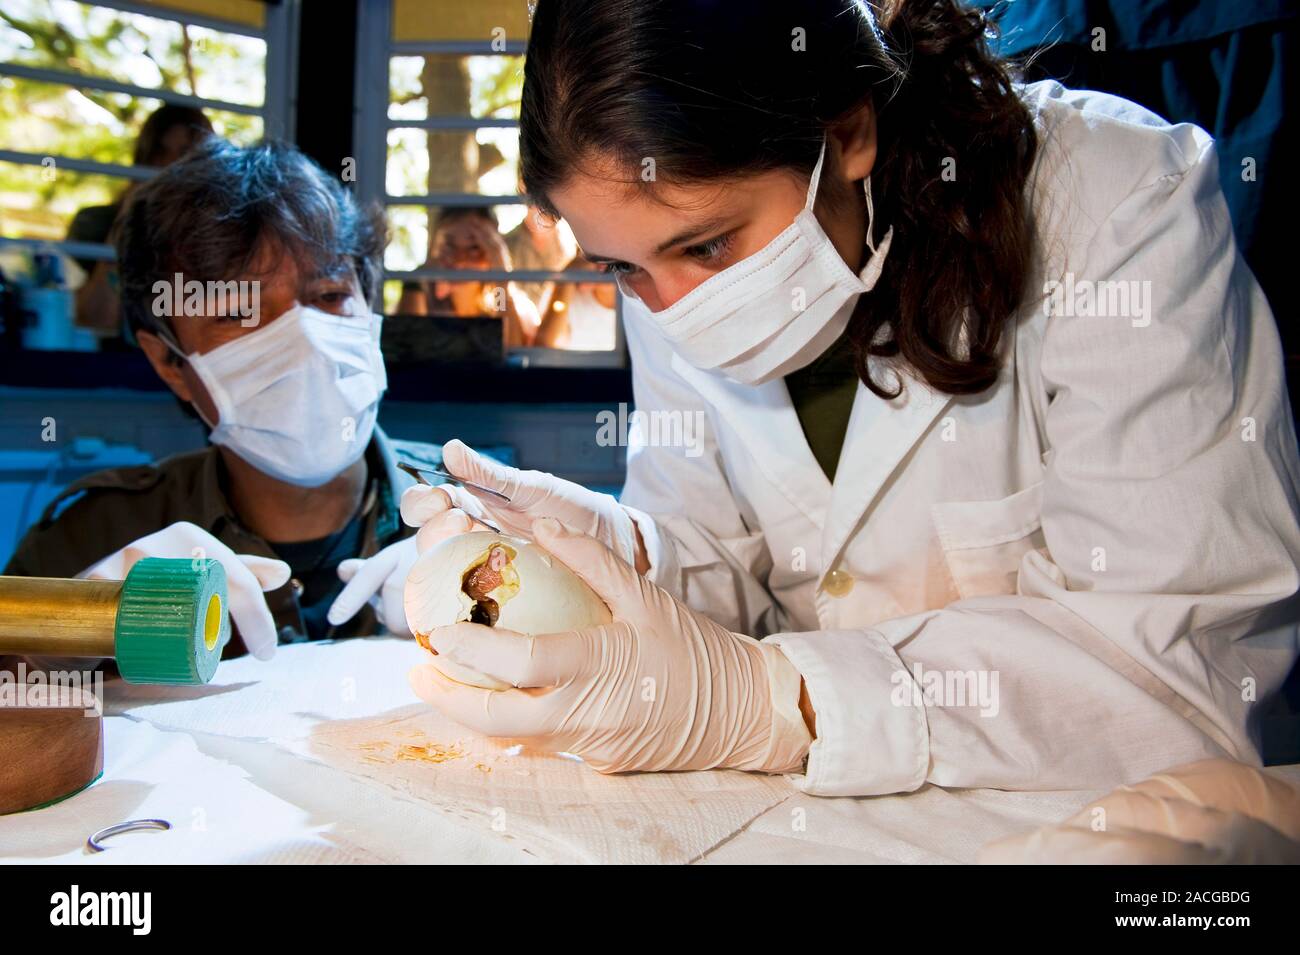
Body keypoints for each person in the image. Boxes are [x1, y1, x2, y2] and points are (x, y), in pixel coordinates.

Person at [388, 0, 1300, 794]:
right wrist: (620, 555)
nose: (676, 308)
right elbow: (728, 570)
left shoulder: (1110, 204)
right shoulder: (665, 280)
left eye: (708, 246)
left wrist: (777, 704)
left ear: (846, 130)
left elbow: (1180, 673)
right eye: (622, 268)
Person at [6, 138, 441, 657]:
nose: (302, 341)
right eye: (238, 312)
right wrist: (77, 623)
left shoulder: (485, 509)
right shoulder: (93, 537)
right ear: (170, 363)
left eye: (330, 296)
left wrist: (502, 590)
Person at [70, 104, 214, 332]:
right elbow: (98, 320)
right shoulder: (94, 223)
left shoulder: (221, 236)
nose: (168, 165)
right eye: (159, 153)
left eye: (184, 153)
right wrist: (126, 221)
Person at [395, 206, 541, 347]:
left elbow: (510, 350)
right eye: (449, 245)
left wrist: (501, 280)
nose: (459, 259)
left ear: (494, 251)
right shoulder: (422, 298)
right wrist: (419, 279)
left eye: (474, 247)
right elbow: (405, 347)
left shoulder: (507, 302)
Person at [535, 253, 618, 350]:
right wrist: (568, 278)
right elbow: (541, 346)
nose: (606, 263)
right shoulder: (567, 296)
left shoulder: (631, 302)